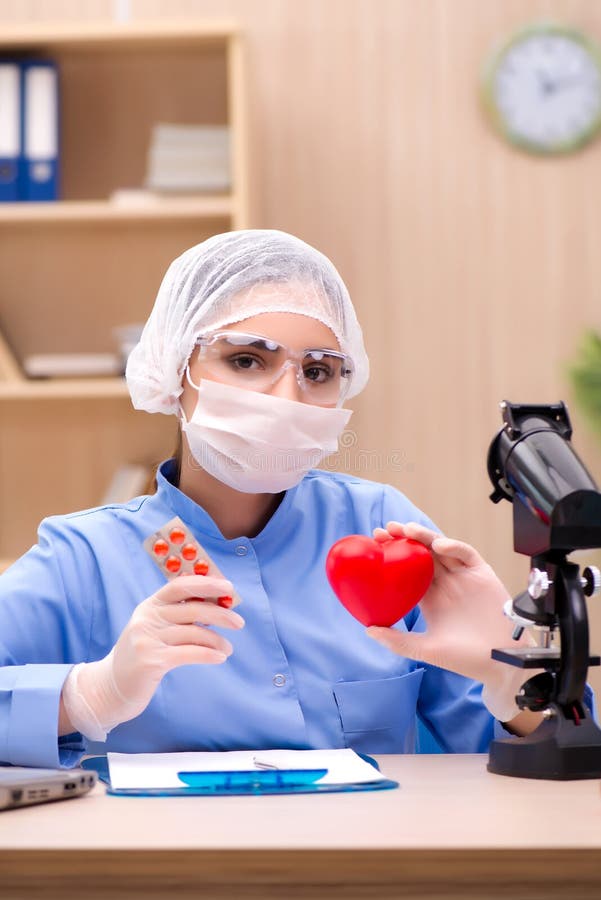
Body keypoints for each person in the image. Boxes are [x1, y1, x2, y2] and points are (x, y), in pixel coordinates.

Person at [0, 230, 561, 768]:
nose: (288, 397)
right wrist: (86, 695)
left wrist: (514, 677)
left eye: (318, 370)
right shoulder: (85, 558)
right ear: (175, 372)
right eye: (247, 361)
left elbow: (559, 761)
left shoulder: (383, 529)